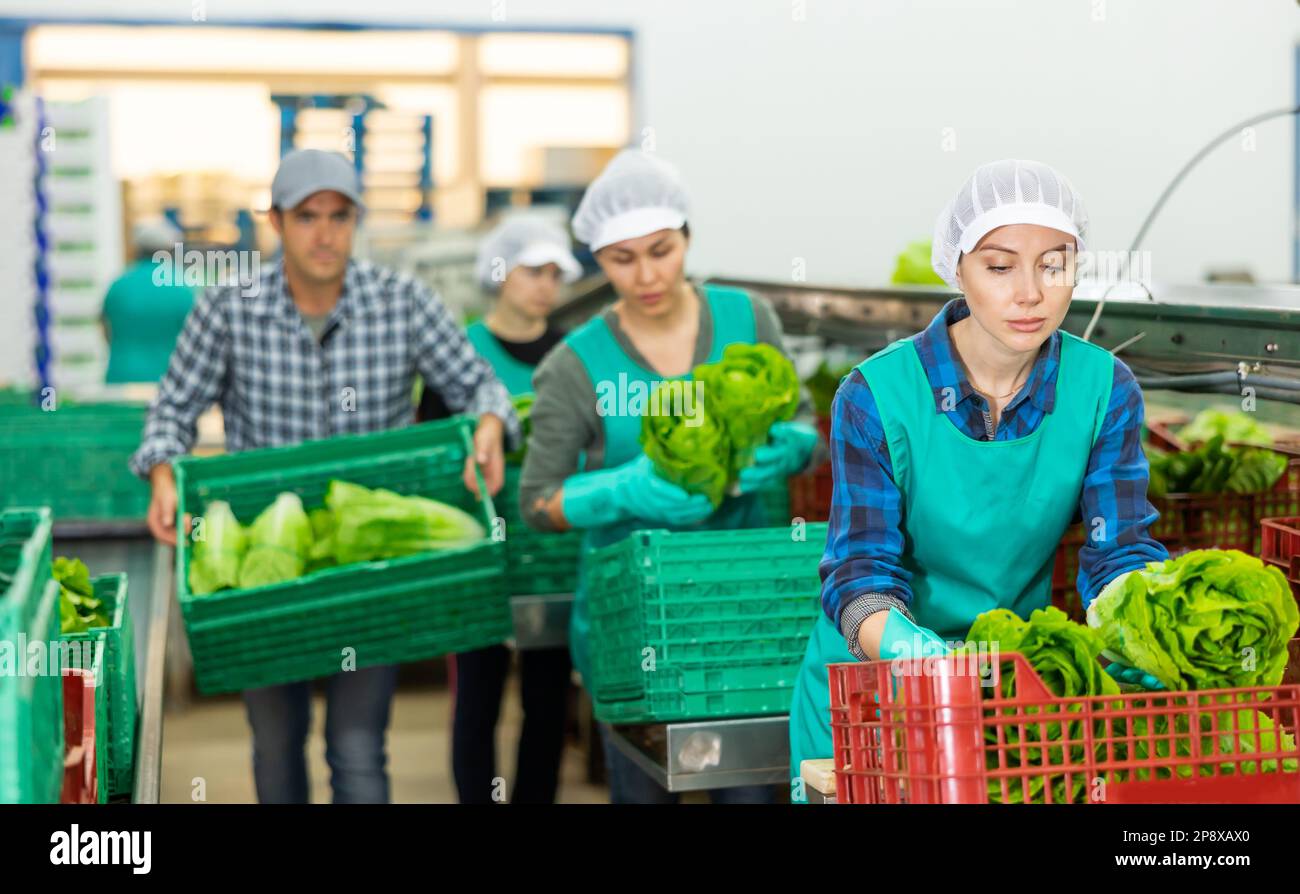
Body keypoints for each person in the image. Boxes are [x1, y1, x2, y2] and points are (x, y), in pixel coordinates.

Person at [129, 148, 519, 804]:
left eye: (339, 216)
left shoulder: (401, 302)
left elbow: (480, 382)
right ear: (276, 221)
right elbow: (173, 408)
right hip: (264, 563)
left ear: (356, 220)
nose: (325, 233)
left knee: (359, 747)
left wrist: (488, 424)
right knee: (276, 742)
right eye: (307, 216)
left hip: (367, 561)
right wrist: (164, 471)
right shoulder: (228, 308)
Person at [787, 159, 1170, 799]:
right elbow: (859, 573)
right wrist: (923, 656)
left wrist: (1144, 627)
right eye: (1000, 266)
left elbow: (1119, 549)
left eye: (1055, 263)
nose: (1030, 293)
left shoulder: (1105, 387)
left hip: (1010, 690)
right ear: (958, 268)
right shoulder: (875, 394)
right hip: (870, 695)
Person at [519, 149, 822, 804]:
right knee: (642, 793)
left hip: (740, 612)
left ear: (686, 236)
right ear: (598, 260)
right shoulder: (575, 364)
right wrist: (622, 489)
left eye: (661, 250)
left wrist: (795, 446)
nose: (646, 275)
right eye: (621, 260)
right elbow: (537, 502)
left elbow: (799, 415)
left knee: (750, 793)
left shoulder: (747, 319)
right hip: (636, 626)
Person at [416, 215, 582, 804]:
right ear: (498, 273)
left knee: (547, 701)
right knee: (477, 698)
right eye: (533, 270)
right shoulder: (460, 353)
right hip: (481, 553)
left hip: (556, 553)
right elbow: (433, 454)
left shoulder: (574, 353)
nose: (546, 284)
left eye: (555, 273)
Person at [101, 218, 197, 384]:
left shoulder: (118, 285)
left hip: (121, 378)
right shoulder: (183, 288)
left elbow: (105, 327)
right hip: (170, 380)